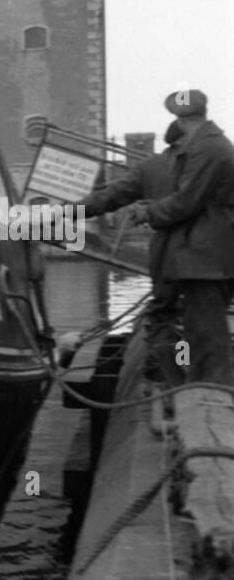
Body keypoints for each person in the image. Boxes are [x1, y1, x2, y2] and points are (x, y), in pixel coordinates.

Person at [75, 120, 186, 386]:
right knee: (200, 316)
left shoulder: (152, 168)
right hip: (210, 256)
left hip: (171, 253)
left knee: (165, 315)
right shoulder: (212, 164)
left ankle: (171, 376)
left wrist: (64, 212)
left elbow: (109, 196)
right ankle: (198, 371)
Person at [137, 90, 234, 387]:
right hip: (200, 256)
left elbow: (186, 202)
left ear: (181, 122)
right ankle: (195, 381)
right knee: (197, 327)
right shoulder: (214, 145)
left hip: (204, 256)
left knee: (206, 330)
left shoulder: (208, 149)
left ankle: (209, 388)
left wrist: (149, 212)